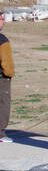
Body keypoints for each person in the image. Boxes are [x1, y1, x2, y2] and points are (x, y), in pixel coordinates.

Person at [0, 13, 12, 143]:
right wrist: (8, 74)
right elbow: (6, 60)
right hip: (1, 78)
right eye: (2, 19)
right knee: (3, 104)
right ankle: (0, 135)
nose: (4, 22)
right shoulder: (2, 39)